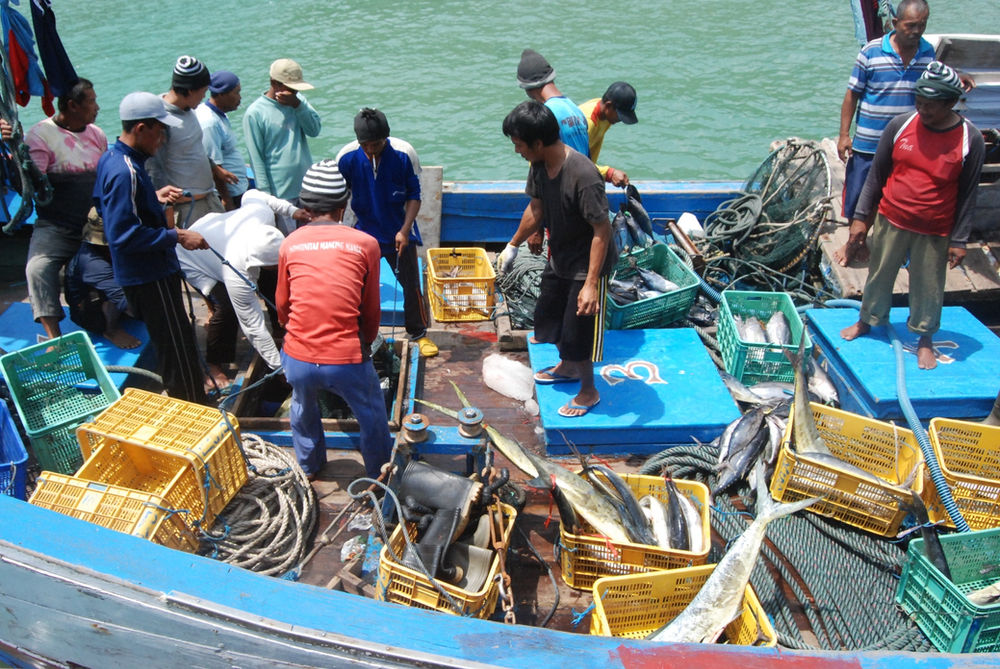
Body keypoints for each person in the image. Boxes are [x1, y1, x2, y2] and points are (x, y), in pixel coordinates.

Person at [839, 62, 984, 371]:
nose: (923, 110)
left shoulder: (970, 139)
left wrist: (959, 240)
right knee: (879, 274)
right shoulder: (900, 125)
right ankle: (867, 320)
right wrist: (861, 219)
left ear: (949, 102)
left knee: (928, 285)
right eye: (919, 102)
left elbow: (969, 193)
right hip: (891, 218)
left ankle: (924, 339)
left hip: (935, 228)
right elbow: (876, 176)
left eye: (931, 105)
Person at [276, 160, 392, 481]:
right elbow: (370, 311)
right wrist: (365, 344)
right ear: (344, 207)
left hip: (297, 358)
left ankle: (311, 467)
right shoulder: (366, 244)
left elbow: (283, 307)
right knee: (371, 415)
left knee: (302, 405)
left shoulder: (289, 243)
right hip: (347, 360)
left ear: (305, 207)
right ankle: (378, 475)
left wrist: (295, 342)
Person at [835, 0, 974, 265]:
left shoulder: (926, 52)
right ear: (894, 23)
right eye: (910, 26)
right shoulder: (870, 52)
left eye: (922, 26)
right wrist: (844, 134)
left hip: (905, 144)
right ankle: (854, 245)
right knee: (859, 198)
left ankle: (894, 248)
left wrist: (958, 76)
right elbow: (852, 94)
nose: (916, 31)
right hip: (869, 140)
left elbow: (934, 77)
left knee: (896, 195)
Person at [497, 100, 613, 417]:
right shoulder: (538, 164)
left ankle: (588, 391)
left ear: (537, 142)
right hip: (561, 252)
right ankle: (567, 367)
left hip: (589, 261)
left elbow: (602, 231)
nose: (517, 150)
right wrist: (513, 244)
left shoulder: (584, 175)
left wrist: (591, 284)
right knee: (551, 314)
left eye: (519, 144)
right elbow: (537, 208)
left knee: (579, 327)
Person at [95, 91, 210, 403]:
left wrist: (152, 198)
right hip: (150, 276)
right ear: (142, 128)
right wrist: (178, 236)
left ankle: (191, 399)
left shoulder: (113, 159)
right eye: (160, 131)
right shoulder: (126, 172)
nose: (163, 138)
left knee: (179, 339)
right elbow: (123, 236)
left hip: (144, 274)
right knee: (176, 351)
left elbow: (105, 207)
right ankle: (195, 409)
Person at [176, 189, 308, 385]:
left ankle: (279, 329)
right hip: (192, 255)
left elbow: (253, 194)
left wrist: (291, 210)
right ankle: (214, 364)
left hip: (216, 232)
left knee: (272, 278)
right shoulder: (235, 272)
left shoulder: (263, 216)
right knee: (227, 308)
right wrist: (280, 368)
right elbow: (253, 326)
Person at [336, 108, 438, 358]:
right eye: (366, 145)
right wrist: (339, 232)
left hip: (398, 231)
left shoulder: (404, 154)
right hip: (362, 233)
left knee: (411, 285)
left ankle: (418, 332)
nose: (371, 150)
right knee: (356, 287)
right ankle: (359, 333)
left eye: (377, 144)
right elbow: (340, 198)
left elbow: (415, 196)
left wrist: (404, 230)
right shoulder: (346, 158)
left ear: (387, 137)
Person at [22, 77, 106, 341]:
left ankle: (111, 322)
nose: (97, 107)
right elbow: (32, 182)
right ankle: (55, 338)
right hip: (56, 225)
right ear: (72, 105)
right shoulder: (40, 136)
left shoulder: (97, 134)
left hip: (93, 225)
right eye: (91, 101)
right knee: (37, 269)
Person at [517, 49, 591, 256]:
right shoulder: (575, 110)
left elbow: (539, 173)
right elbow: (588, 162)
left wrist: (536, 228)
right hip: (583, 211)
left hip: (563, 217)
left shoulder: (545, 117)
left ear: (526, 88)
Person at [243, 58, 321, 201]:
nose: (294, 92)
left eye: (296, 89)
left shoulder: (299, 101)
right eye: (291, 88)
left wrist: (298, 106)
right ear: (274, 83)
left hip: (307, 189)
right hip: (281, 195)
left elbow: (314, 130)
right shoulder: (255, 113)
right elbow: (256, 158)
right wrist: (266, 196)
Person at [64, 210, 141, 350]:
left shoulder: (109, 252)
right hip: (91, 314)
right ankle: (111, 330)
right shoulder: (94, 265)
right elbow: (130, 307)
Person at [195, 70, 248, 210]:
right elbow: (215, 168)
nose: (240, 97)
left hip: (237, 188)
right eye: (236, 93)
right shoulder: (210, 123)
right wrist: (227, 200)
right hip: (231, 194)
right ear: (221, 94)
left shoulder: (219, 115)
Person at [578, 81, 639, 187]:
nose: (620, 120)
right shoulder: (587, 123)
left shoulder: (605, 115)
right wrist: (609, 173)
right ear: (608, 106)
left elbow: (590, 154)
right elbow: (576, 164)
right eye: (620, 116)